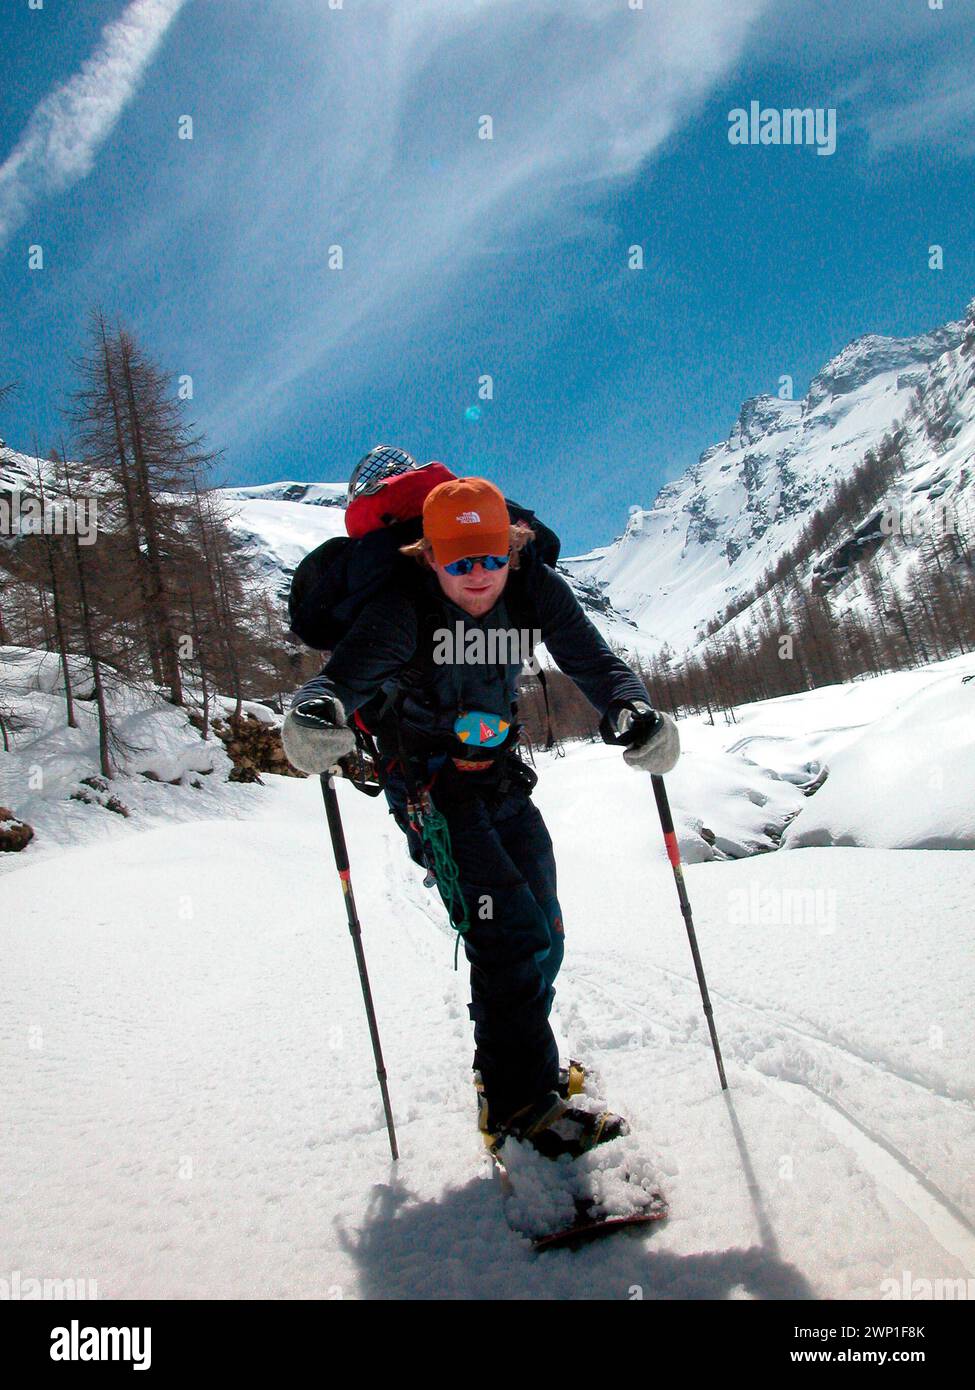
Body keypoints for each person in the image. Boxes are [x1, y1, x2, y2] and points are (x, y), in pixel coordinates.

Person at [282, 471, 680, 1158]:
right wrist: (318, 712)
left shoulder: (530, 587)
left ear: (513, 546)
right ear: (427, 557)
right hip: (431, 792)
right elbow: (340, 679)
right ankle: (519, 1106)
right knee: (509, 935)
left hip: (499, 778)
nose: (478, 575)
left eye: (492, 557)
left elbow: (594, 661)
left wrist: (630, 710)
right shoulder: (402, 607)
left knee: (545, 932)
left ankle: (514, 1066)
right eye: (459, 562)